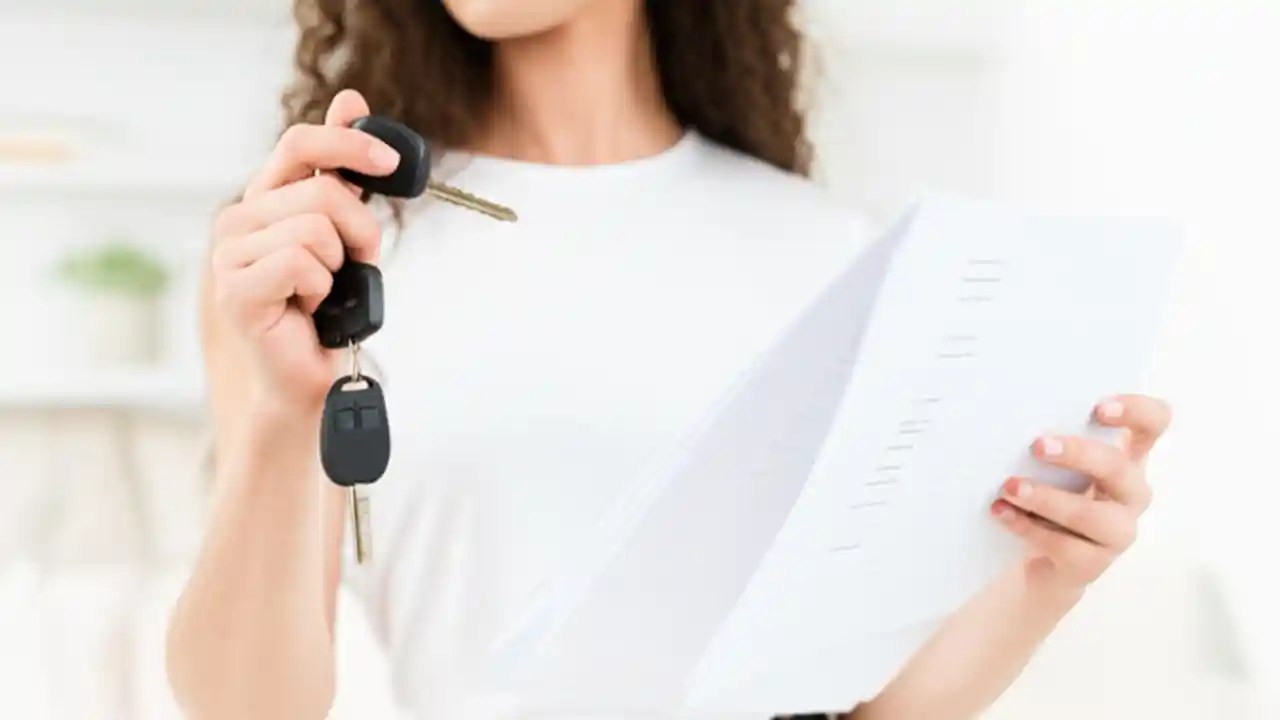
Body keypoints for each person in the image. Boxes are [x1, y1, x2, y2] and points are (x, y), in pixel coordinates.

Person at [165, 1, 1172, 718]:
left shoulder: (825, 249)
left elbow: (865, 706)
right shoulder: (315, 259)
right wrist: (281, 412)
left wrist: (1045, 573)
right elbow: (249, 710)